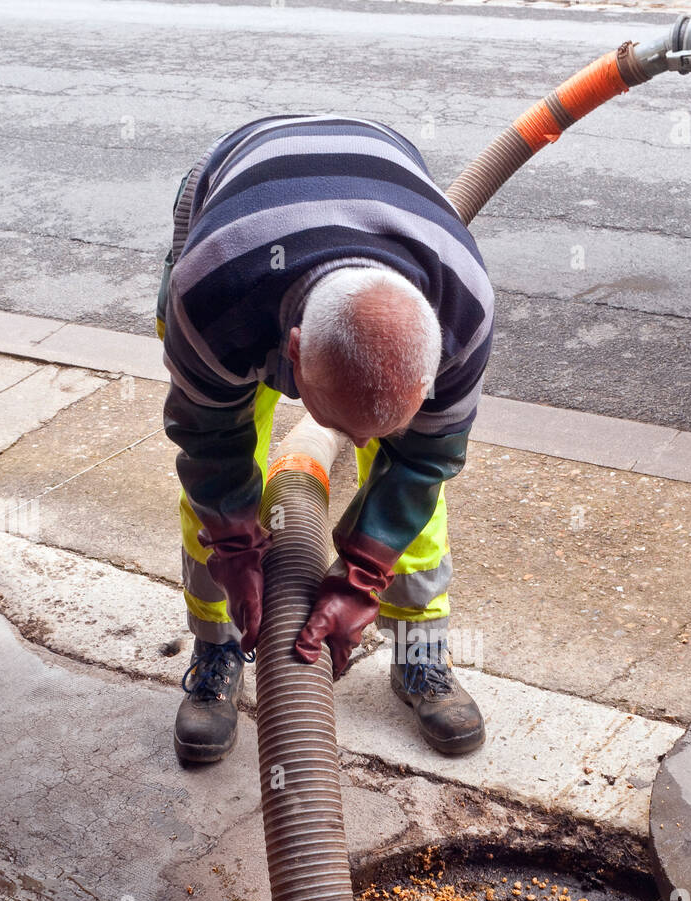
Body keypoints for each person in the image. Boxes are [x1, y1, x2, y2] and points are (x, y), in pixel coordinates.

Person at [156, 114, 494, 764]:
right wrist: (233, 545)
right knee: (223, 472)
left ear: (432, 369)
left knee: (407, 477)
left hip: (377, 193)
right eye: (326, 420)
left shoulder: (463, 313)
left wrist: (363, 577)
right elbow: (206, 443)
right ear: (291, 357)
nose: (328, 440)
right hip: (230, 212)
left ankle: (420, 649)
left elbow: (424, 462)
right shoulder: (208, 298)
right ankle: (217, 645)